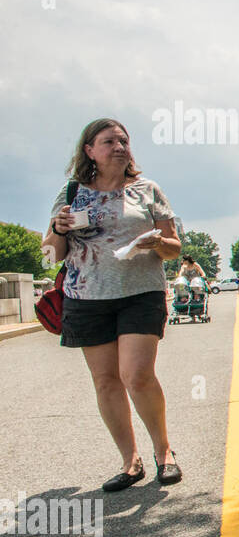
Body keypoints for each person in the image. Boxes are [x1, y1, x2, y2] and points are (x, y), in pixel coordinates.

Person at [42, 118, 183, 492]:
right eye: (109, 141)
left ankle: (163, 453)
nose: (119, 146)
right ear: (89, 150)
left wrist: (156, 243)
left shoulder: (147, 190)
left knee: (136, 375)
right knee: (105, 382)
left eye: (124, 140)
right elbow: (49, 255)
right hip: (87, 298)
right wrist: (58, 229)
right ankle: (130, 460)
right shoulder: (72, 193)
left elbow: (174, 247)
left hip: (140, 294)